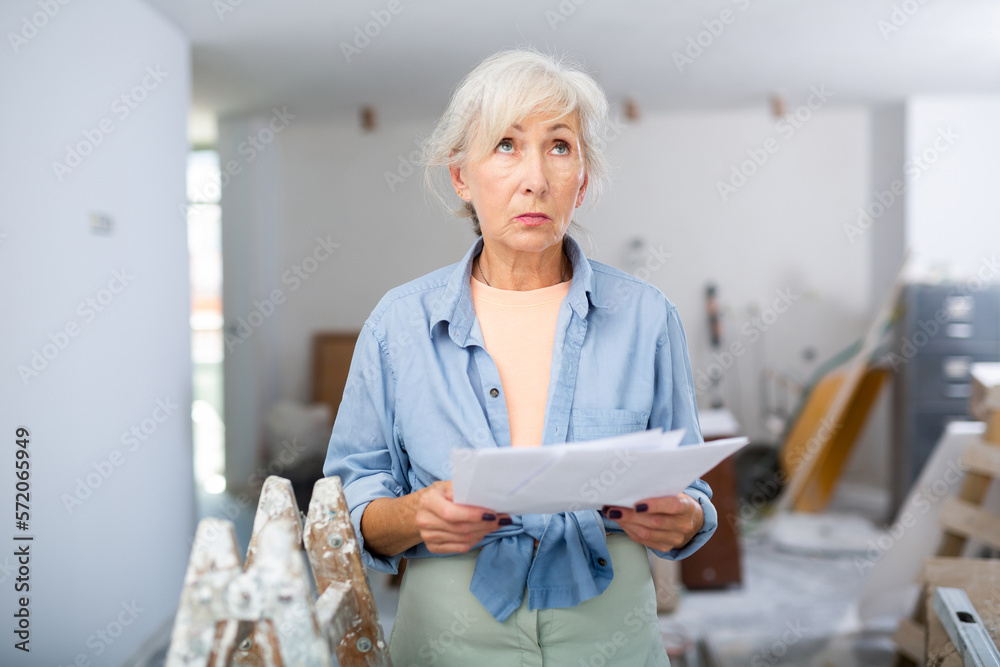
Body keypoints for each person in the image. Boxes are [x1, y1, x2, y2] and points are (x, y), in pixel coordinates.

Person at [323, 48, 717, 666]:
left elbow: (690, 491)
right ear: (461, 176)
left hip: (610, 635)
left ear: (581, 178)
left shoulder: (648, 317)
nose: (535, 176)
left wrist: (686, 518)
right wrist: (412, 514)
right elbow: (348, 503)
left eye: (559, 146)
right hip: (449, 634)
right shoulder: (398, 324)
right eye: (506, 145)